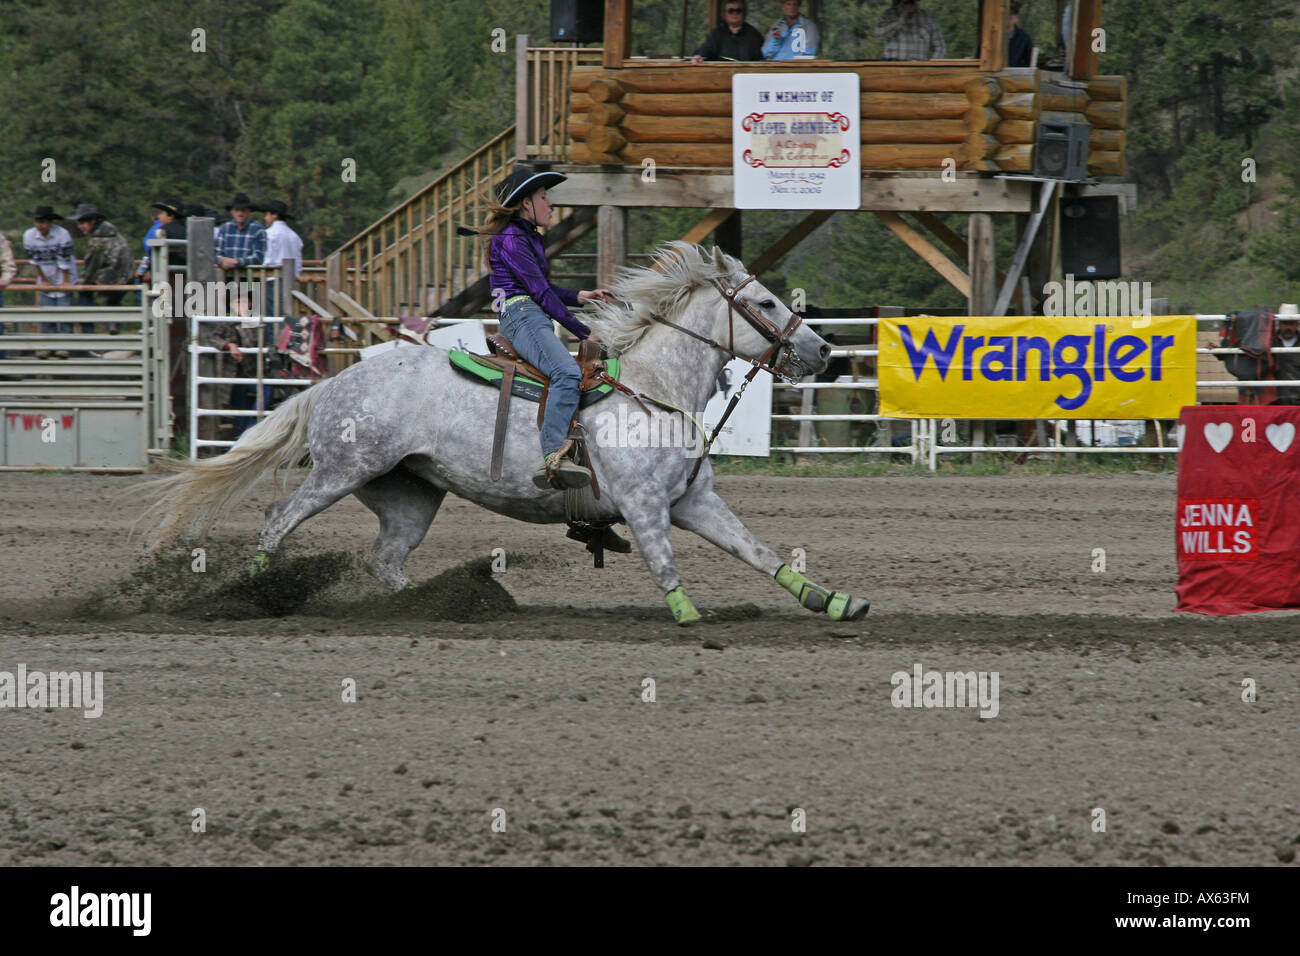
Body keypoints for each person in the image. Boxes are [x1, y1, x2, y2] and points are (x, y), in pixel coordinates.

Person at [471, 166, 612, 488]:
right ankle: (552, 455)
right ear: (526, 204)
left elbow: (543, 288)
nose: (551, 204)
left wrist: (582, 296)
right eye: (544, 197)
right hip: (523, 316)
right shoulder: (512, 239)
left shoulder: (525, 237)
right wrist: (582, 332)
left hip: (527, 314)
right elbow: (539, 293)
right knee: (568, 373)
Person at [23, 205, 80, 352]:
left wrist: (65, 281)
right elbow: (34, 261)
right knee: (47, 313)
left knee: (65, 312)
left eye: (43, 222)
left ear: (50, 222)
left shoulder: (62, 234)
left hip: (64, 274)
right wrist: (44, 280)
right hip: (46, 274)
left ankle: (64, 347)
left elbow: (64, 260)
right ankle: (47, 346)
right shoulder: (29, 236)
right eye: (37, 221)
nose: (39, 225)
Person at [68, 204, 133, 312]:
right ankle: (113, 325)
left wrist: (82, 283)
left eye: (82, 222)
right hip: (126, 277)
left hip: (110, 278)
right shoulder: (116, 235)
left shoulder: (97, 241)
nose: (79, 226)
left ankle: (86, 324)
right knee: (113, 302)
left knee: (84, 292)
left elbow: (92, 267)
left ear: (93, 221)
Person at [258, 199, 304, 318]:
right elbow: (298, 264)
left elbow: (266, 259)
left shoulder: (268, 234)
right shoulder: (295, 237)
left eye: (267, 214)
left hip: (271, 281)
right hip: (290, 282)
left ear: (274, 215)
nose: (265, 218)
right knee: (287, 317)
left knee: (270, 318)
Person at [690, 1, 764, 64]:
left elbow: (760, 58)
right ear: (724, 14)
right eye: (731, 11)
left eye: (738, 11)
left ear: (743, 14)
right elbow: (705, 49)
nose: (735, 14)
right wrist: (698, 56)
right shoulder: (716, 33)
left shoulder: (754, 34)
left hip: (745, 76)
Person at [215, 191, 265, 280]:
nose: (240, 213)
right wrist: (222, 261)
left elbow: (258, 257)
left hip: (250, 279)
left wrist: (237, 261)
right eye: (237, 210)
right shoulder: (224, 228)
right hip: (227, 279)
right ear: (232, 211)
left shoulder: (258, 229)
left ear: (249, 211)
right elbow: (215, 253)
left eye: (243, 210)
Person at [876, 0, 947, 61]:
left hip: (919, 68)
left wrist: (931, 67)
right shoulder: (889, 14)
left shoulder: (928, 17)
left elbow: (940, 47)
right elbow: (880, 35)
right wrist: (902, 19)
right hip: (892, 66)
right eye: (906, 2)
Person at [1272, 305, 1300, 405]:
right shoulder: (1270, 342)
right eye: (1284, 323)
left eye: (1291, 323)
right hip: (1275, 399)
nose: (1288, 327)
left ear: (1297, 324)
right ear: (1279, 324)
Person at [1008, 2, 1033, 68]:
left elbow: (1029, 63)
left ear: (1017, 18)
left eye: (1010, 15)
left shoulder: (1024, 38)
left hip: (1016, 76)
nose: (1007, 18)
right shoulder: (990, 37)